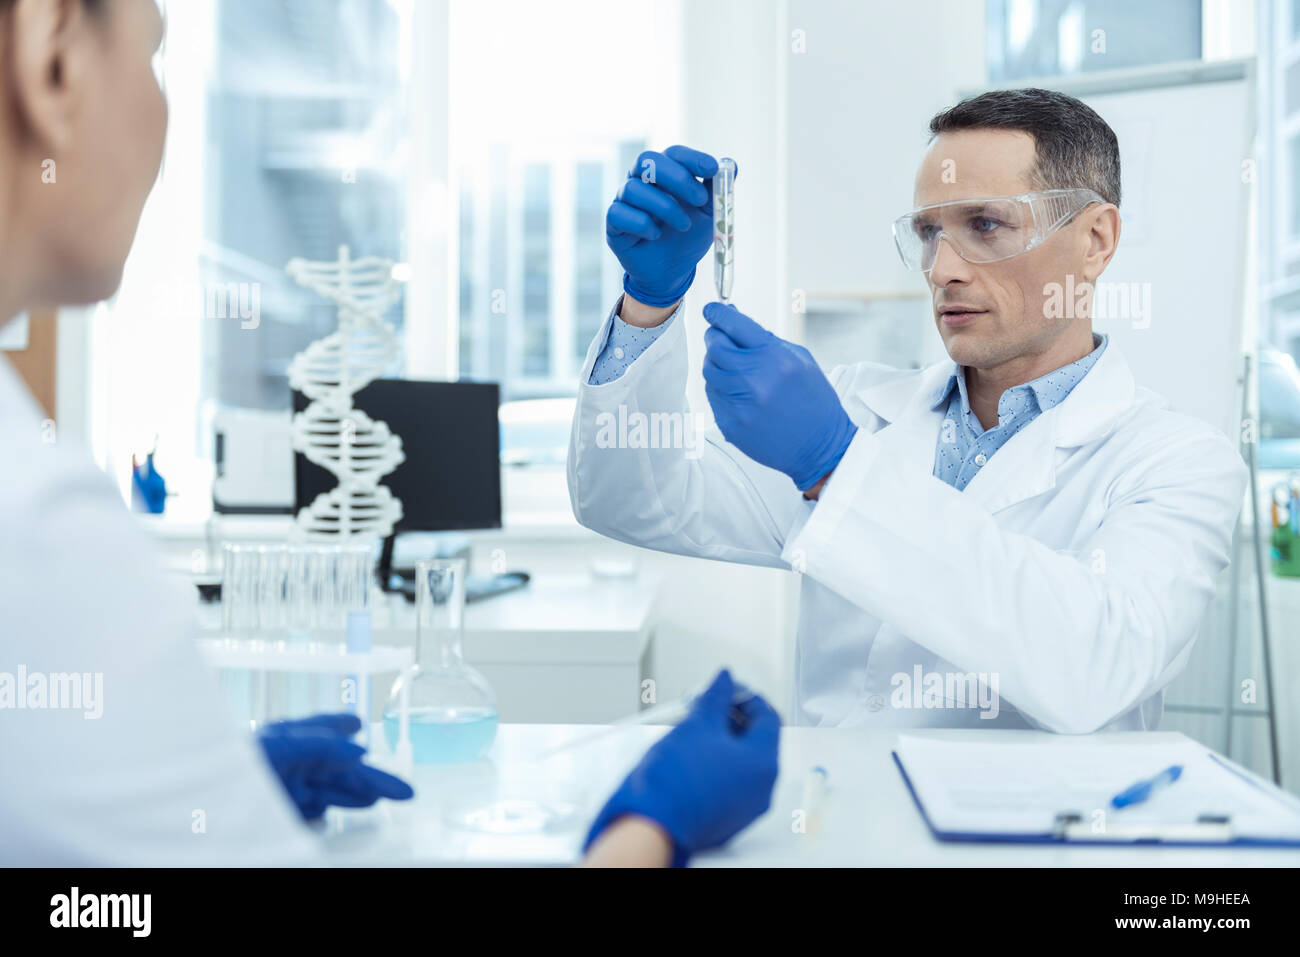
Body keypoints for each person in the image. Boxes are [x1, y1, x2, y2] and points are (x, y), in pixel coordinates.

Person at [0, 0, 778, 868]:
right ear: (51, 53)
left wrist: (204, 799)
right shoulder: (33, 522)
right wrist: (650, 833)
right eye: (153, 56)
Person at [569, 90, 1249, 734]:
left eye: (985, 224)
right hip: (839, 827)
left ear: (1096, 240)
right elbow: (635, 501)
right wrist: (649, 305)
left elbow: (1097, 664)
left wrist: (837, 467)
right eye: (928, 231)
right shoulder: (856, 408)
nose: (942, 267)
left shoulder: (1177, 461)